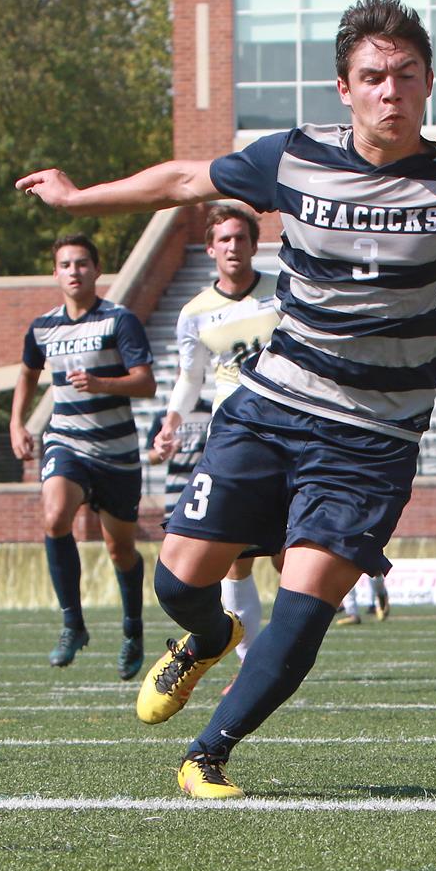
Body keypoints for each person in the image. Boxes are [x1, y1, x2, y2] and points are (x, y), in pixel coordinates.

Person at [16, 0, 436, 799]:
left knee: (307, 608)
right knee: (176, 582)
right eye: (374, 77)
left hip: (372, 443)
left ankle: (207, 753)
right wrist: (77, 201)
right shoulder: (292, 157)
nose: (392, 91)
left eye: (406, 76)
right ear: (343, 88)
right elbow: (183, 176)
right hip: (271, 408)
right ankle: (208, 635)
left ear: (428, 85)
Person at [9, 234, 156, 680]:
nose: (74, 271)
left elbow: (145, 383)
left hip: (116, 452)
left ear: (96, 270)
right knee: (54, 517)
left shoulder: (119, 321)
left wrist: (103, 383)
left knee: (120, 549)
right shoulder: (42, 327)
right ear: (55, 274)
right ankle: (73, 624)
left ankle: (133, 629)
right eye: (65, 264)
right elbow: (28, 373)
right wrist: (17, 423)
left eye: (82, 264)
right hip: (66, 443)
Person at [151, 204, 283, 663]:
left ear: (253, 243)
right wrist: (171, 422)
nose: (232, 246)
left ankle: (283, 659)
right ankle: (249, 666)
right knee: (235, 559)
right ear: (210, 248)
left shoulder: (281, 293)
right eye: (223, 239)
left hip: (288, 436)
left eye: (240, 238)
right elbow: (191, 377)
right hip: (233, 443)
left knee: (290, 557)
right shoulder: (194, 313)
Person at [147, 398, 210, 521]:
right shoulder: (164, 416)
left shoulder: (211, 411)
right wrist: (165, 451)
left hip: (204, 485)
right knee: (173, 530)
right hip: (175, 485)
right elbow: (151, 457)